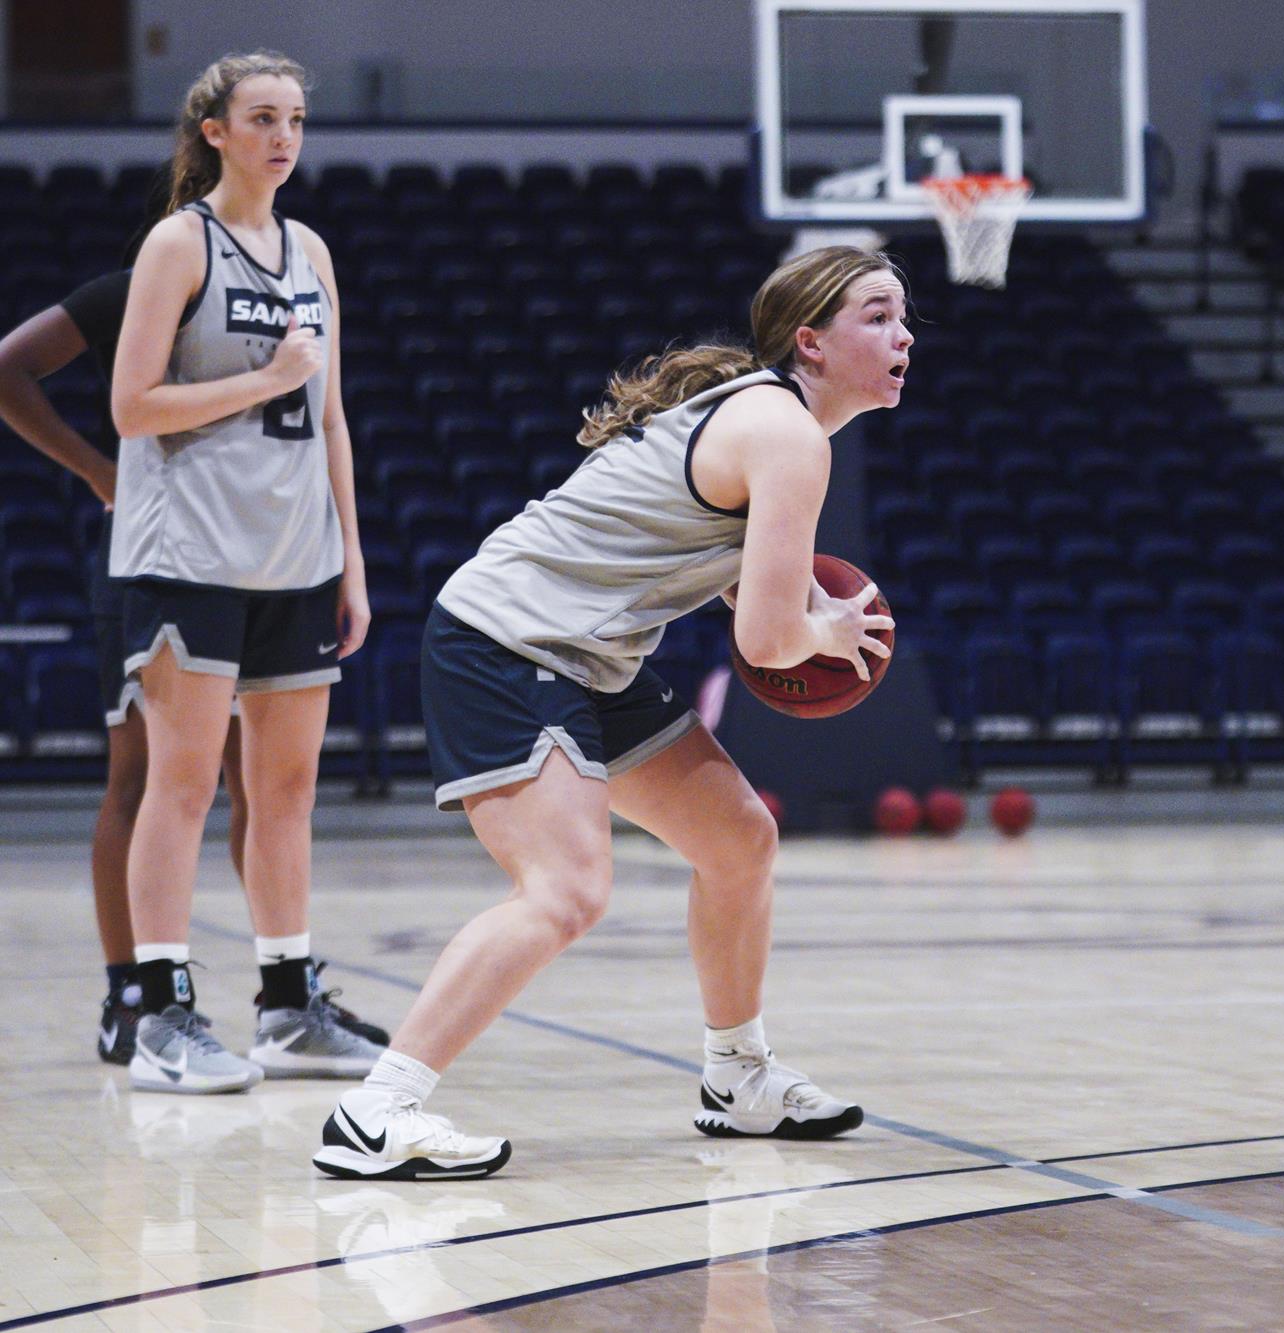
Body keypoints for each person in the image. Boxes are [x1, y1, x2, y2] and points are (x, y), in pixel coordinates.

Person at [312, 245, 908, 1180]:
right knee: (567, 889)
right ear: (812, 342)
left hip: (588, 654)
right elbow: (764, 641)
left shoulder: (772, 422)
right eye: (876, 315)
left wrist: (801, 614)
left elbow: (715, 573)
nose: (902, 333)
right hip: (507, 640)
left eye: (903, 317)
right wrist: (824, 635)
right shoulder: (785, 433)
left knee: (739, 840)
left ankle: (736, 1078)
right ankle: (373, 1110)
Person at [0, 249, 386, 1066]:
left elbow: (327, 413)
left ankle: (286, 991)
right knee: (147, 777)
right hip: (168, 552)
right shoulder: (140, 279)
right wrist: (98, 470)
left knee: (266, 782)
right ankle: (134, 993)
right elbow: (11, 367)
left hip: (266, 553)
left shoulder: (296, 270)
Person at [109, 51, 384, 1093]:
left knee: (288, 790)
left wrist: (351, 558)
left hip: (297, 557)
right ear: (213, 131)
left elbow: (331, 417)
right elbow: (133, 406)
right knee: (181, 788)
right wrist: (264, 378)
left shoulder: (309, 249)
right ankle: (160, 1012)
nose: (284, 137)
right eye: (262, 118)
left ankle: (286, 1005)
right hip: (188, 553)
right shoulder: (179, 244)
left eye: (298, 120)